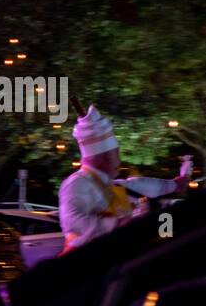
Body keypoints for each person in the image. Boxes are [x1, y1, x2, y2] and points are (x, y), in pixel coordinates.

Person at [58, 104, 192, 252]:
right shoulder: (76, 183)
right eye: (116, 153)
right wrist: (118, 223)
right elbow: (72, 222)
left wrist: (176, 184)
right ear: (107, 157)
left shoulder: (109, 185)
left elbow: (138, 185)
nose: (119, 160)